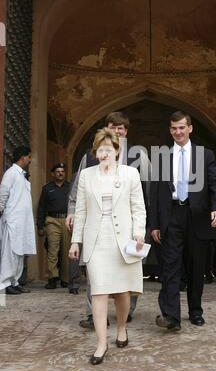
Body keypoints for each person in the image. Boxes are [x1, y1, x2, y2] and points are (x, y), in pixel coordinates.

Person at [66, 111, 150, 328]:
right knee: (94, 273)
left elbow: (146, 193)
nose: (116, 130)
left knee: (127, 272)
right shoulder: (90, 156)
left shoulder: (138, 157)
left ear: (126, 131)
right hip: (96, 227)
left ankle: (126, 313)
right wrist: (72, 211)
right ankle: (92, 316)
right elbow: (78, 192)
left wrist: (141, 227)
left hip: (126, 225)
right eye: (112, 126)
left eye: (121, 127)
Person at [150, 111, 216, 330]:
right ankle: (171, 316)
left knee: (195, 266)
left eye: (182, 127)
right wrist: (154, 223)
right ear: (170, 130)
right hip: (171, 215)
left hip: (197, 217)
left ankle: (195, 311)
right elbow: (155, 193)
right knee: (170, 267)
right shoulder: (162, 157)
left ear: (190, 128)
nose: (178, 132)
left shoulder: (206, 155)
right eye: (173, 128)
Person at [37, 163, 80, 293]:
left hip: (67, 220)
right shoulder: (47, 188)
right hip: (52, 221)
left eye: (62, 171)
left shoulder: (70, 187)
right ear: (53, 174)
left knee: (67, 250)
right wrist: (40, 225)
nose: (60, 173)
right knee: (52, 249)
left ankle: (66, 279)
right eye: (57, 171)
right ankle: (52, 278)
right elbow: (41, 208)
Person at [0, 146, 36, 294]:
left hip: (22, 221)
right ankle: (5, 283)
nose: (30, 160)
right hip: (13, 220)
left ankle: (14, 281)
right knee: (10, 253)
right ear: (23, 157)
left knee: (19, 252)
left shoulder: (21, 175)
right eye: (29, 157)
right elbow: (3, 194)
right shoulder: (11, 174)